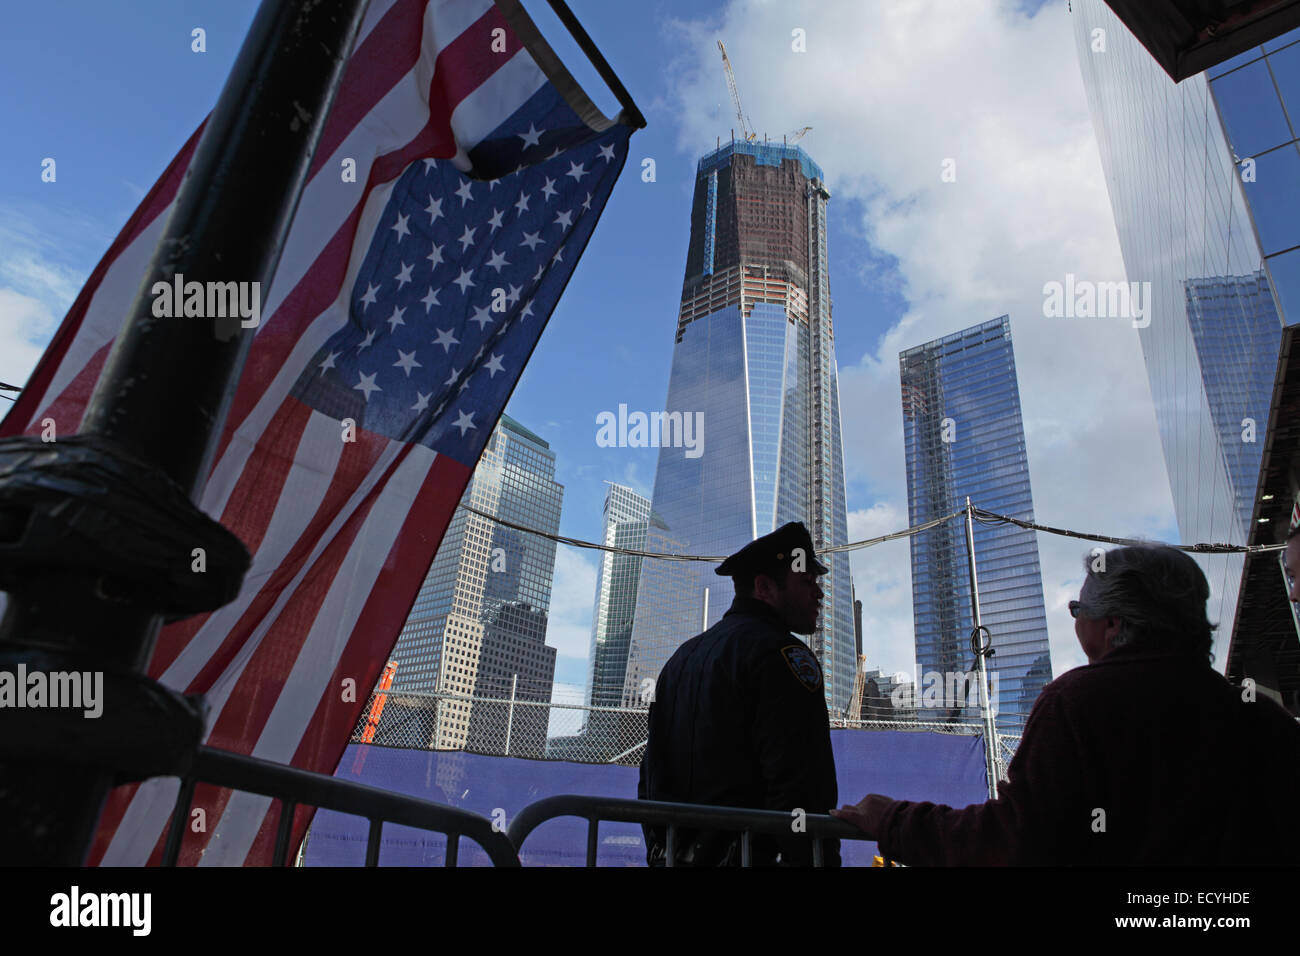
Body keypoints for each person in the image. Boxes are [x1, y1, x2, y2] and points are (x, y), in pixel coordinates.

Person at [832, 544, 1300, 865]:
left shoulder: (1078, 703)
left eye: (1077, 610)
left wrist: (891, 819)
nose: (1075, 620)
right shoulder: (1264, 718)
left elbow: (1013, 845)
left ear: (1112, 624)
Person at [637, 522, 841, 866]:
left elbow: (650, 777)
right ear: (764, 587)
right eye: (807, 581)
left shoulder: (679, 659)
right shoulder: (783, 654)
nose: (818, 593)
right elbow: (801, 788)